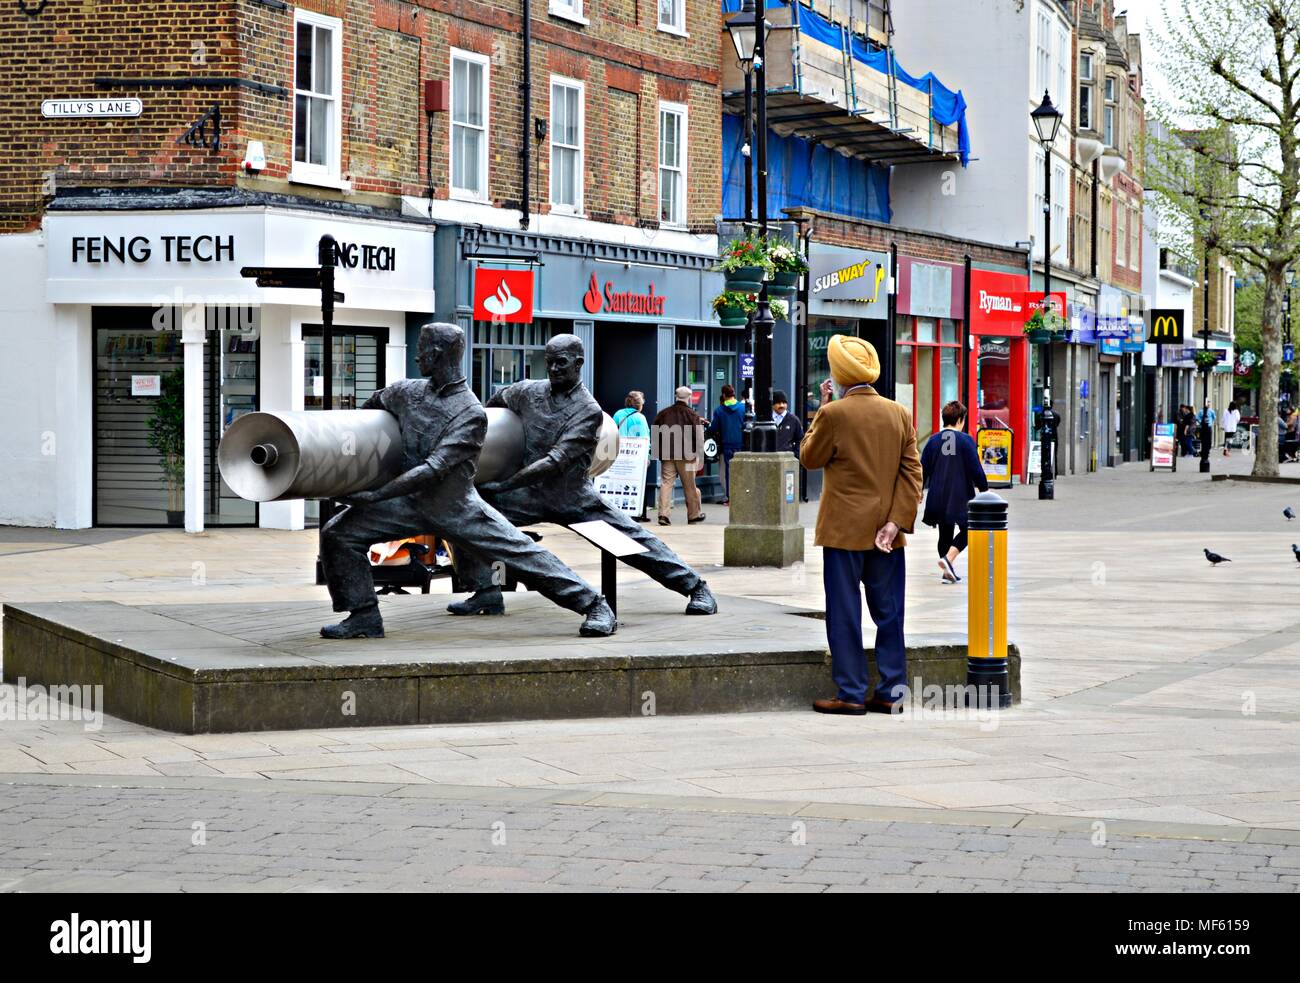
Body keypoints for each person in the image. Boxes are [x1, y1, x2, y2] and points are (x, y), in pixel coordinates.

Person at [318, 323, 615, 639]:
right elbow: (369, 417)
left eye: (421, 350)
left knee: (523, 555)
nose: (417, 357)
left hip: (455, 505)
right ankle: (364, 615)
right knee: (338, 534)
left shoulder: (470, 413)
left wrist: (374, 495)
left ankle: (595, 605)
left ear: (436, 354)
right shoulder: (405, 392)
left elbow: (433, 470)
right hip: (407, 502)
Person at [448, 334, 718, 618]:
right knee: (464, 514)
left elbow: (555, 462)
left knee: (634, 540)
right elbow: (491, 409)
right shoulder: (526, 391)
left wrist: (505, 483)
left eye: (561, 363)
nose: (553, 369)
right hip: (525, 493)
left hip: (571, 495)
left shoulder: (588, 411)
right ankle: (487, 591)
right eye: (549, 362)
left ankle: (695, 587)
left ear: (579, 363)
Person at [801, 335, 923, 716]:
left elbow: (809, 458)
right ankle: (890, 692)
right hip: (887, 534)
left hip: (843, 530)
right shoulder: (898, 413)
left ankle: (851, 692)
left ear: (838, 375)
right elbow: (912, 472)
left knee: (844, 611)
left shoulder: (834, 414)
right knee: (889, 613)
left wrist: (820, 412)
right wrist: (895, 523)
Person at [920, 401, 988, 584]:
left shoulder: (933, 441)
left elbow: (922, 469)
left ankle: (947, 572)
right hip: (959, 495)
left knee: (944, 532)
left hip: (937, 494)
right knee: (970, 528)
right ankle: (948, 559)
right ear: (960, 419)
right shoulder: (966, 441)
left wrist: (918, 491)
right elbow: (976, 469)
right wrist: (984, 490)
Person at [652, 386, 708, 526]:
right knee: (689, 485)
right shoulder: (692, 415)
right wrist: (700, 454)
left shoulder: (663, 413)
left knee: (666, 484)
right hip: (687, 456)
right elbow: (700, 438)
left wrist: (658, 453)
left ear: (676, 397)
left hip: (667, 454)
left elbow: (655, 432)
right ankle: (693, 515)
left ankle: (663, 515)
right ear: (688, 398)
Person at [613, 390, 651, 520]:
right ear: (640, 405)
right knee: (639, 483)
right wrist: (648, 457)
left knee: (619, 481)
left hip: (619, 454)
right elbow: (645, 438)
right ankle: (640, 513)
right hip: (636, 454)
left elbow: (613, 432)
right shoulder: (640, 418)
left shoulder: (618, 414)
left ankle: (619, 510)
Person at [708, 384, 745, 504]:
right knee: (742, 471)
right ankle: (742, 495)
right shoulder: (743, 408)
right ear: (733, 394)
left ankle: (731, 498)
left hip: (727, 444)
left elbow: (713, 429)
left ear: (724, 395)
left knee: (729, 472)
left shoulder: (719, 410)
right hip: (741, 444)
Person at [772, 390, 803, 458]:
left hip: (788, 460)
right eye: (778, 403)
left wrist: (795, 455)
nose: (781, 405)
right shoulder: (767, 419)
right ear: (773, 404)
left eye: (784, 402)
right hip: (770, 460)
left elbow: (800, 439)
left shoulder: (794, 420)